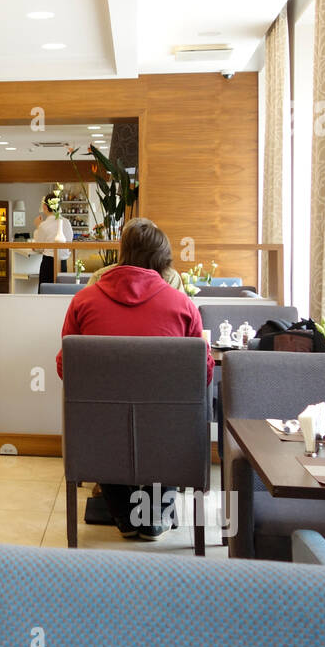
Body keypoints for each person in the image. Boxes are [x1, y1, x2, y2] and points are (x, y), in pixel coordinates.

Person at [56, 218, 213, 541]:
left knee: (102, 419)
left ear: (122, 253)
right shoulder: (182, 306)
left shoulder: (84, 301)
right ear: (163, 261)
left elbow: (65, 368)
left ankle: (124, 513)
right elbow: (204, 372)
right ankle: (154, 515)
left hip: (99, 436)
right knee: (171, 419)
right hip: (167, 434)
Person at [32, 193, 72, 284]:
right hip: (63, 263)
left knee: (46, 292)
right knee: (61, 292)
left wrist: (38, 226)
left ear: (45, 207)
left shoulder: (44, 225)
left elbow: (38, 248)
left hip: (48, 263)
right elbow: (69, 244)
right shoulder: (67, 222)